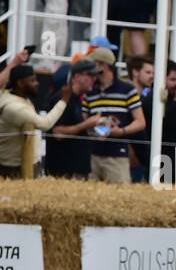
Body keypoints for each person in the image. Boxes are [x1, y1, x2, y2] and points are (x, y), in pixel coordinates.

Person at [83, 47, 145, 183]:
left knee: (119, 197)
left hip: (117, 155)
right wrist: (92, 128)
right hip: (92, 155)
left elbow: (140, 122)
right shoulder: (90, 91)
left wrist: (121, 131)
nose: (88, 68)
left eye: (92, 64)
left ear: (103, 66)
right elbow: (84, 121)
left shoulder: (127, 90)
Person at [0, 65, 68, 177]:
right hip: (14, 167)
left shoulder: (19, 99)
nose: (37, 83)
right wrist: (64, 100)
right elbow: (46, 124)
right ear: (20, 83)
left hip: (20, 164)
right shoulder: (15, 108)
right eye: (32, 80)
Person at [43, 59, 104, 180]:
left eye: (95, 76)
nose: (94, 79)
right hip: (64, 170)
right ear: (77, 76)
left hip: (76, 169)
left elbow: (75, 130)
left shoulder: (77, 99)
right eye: (91, 75)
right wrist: (87, 124)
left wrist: (98, 130)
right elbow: (57, 132)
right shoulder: (62, 98)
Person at [125, 56, 155, 181]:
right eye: (148, 72)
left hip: (144, 157)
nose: (152, 76)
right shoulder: (125, 95)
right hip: (130, 158)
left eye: (153, 73)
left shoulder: (147, 98)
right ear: (135, 72)